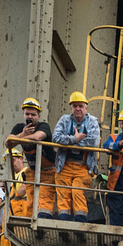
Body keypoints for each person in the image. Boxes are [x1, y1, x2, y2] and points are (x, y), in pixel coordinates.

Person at [45, 92, 103, 223]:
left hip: (83, 166)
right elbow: (56, 138)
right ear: (71, 108)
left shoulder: (92, 121)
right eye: (75, 106)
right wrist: (74, 138)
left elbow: (93, 142)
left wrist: (68, 144)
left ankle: (80, 223)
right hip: (64, 165)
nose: (78, 108)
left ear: (86, 108)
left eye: (80, 106)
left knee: (77, 190)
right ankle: (64, 223)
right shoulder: (65, 120)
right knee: (63, 194)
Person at [6, 97, 50, 219]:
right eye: (27, 114)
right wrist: (22, 134)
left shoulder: (43, 126)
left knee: (45, 199)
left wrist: (19, 138)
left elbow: (37, 137)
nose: (30, 117)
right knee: (30, 200)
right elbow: (8, 143)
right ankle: (31, 226)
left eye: (33, 114)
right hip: (32, 171)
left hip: (48, 171)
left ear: (39, 116)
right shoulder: (19, 128)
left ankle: (42, 223)